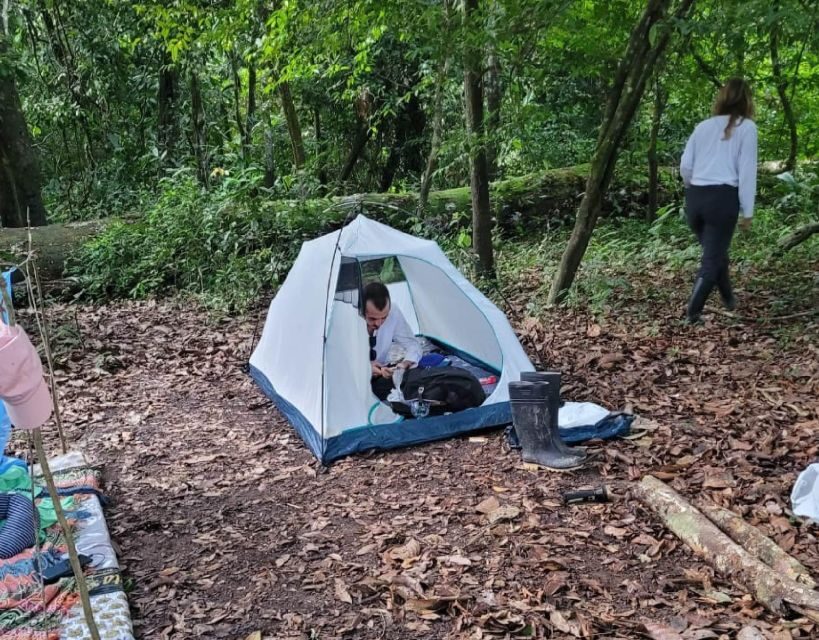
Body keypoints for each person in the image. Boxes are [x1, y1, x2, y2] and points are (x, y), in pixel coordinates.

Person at [680, 77, 757, 323]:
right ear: (747, 101)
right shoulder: (747, 128)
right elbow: (747, 172)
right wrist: (748, 211)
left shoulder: (703, 127)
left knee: (716, 250)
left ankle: (728, 298)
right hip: (722, 200)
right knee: (712, 259)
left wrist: (693, 188)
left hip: (695, 198)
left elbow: (685, 166)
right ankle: (693, 313)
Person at [362, 282, 422, 399]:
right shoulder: (349, 318)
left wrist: (405, 364)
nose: (378, 323)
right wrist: (366, 367)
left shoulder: (393, 312)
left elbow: (413, 345)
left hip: (382, 373)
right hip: (355, 379)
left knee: (415, 383)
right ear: (361, 310)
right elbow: (339, 362)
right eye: (372, 318)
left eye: (384, 318)